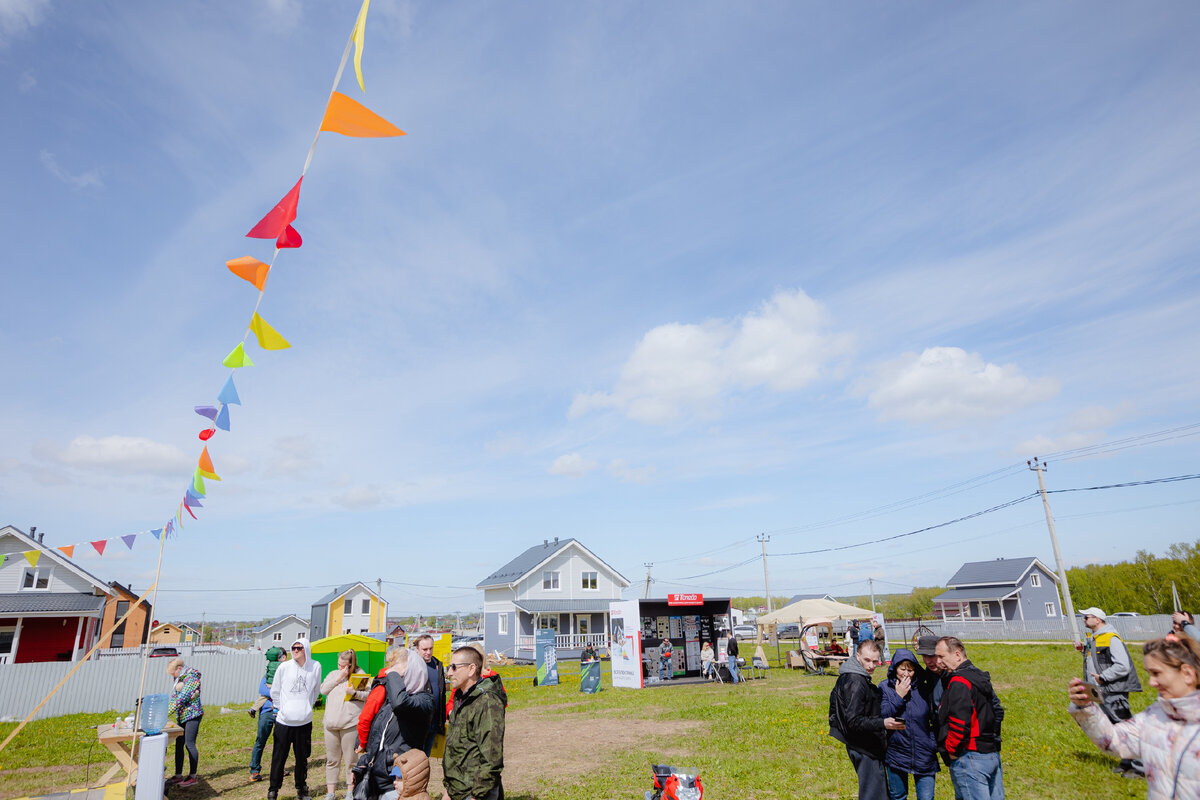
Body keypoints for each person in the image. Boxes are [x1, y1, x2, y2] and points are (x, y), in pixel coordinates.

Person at [1068, 634, 1200, 799]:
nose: (1151, 682)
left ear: (1187, 673)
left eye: (1157, 673)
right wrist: (1085, 705)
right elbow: (1113, 741)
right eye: (1149, 673)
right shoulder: (1154, 716)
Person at [828, 639, 905, 800]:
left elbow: (835, 707)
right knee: (874, 794)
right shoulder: (855, 681)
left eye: (875, 661)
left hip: (861, 745)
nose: (871, 665)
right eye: (867, 660)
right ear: (857, 655)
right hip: (863, 747)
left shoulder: (852, 676)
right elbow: (854, 720)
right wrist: (883, 723)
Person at [351, 648, 432, 800]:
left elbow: (401, 704)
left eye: (401, 675)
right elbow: (377, 736)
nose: (395, 681)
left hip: (398, 781)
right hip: (376, 778)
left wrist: (393, 673)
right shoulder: (390, 701)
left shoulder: (424, 701)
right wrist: (362, 764)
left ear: (414, 673)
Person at [935, 637, 1004, 800]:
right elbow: (997, 711)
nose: (938, 661)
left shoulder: (959, 682)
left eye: (942, 656)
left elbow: (959, 724)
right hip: (991, 753)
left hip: (970, 757)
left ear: (957, 655)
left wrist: (951, 751)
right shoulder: (979, 676)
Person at [1078, 607, 1144, 776]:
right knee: (1116, 728)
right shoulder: (1096, 638)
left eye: (1087, 617)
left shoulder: (1111, 638)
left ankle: (1140, 766)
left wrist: (1104, 677)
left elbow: (1122, 665)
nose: (1084, 620)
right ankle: (1126, 762)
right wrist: (1082, 649)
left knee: (1125, 727)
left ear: (1098, 619)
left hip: (1114, 689)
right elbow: (1097, 659)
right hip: (1102, 690)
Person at [443, 646, 507, 800]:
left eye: (454, 667)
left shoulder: (487, 702)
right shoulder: (461, 697)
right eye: (448, 667)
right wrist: (449, 789)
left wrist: (476, 796)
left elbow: (492, 757)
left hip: (475, 792)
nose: (449, 673)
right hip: (457, 789)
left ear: (471, 669)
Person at [880, 648, 938, 800]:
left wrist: (932, 742)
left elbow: (934, 717)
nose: (906, 674)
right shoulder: (885, 688)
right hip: (897, 751)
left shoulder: (923, 688)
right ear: (894, 669)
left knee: (926, 797)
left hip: (924, 752)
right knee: (898, 796)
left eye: (910, 670)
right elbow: (883, 715)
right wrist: (898, 696)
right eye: (902, 669)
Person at [269, 638, 323, 800]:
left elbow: (315, 691)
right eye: (293, 647)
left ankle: (301, 789)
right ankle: (273, 790)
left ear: (306, 649)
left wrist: (306, 707)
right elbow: (275, 691)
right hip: (284, 722)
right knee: (279, 757)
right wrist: (283, 709)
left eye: (299, 648)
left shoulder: (315, 666)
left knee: (302, 758)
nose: (295, 650)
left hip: (304, 722)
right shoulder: (284, 667)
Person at [321, 649, 370, 800]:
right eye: (339, 664)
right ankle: (331, 792)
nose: (340, 668)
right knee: (332, 760)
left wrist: (355, 693)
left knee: (351, 760)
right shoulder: (333, 674)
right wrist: (338, 678)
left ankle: (350, 791)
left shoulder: (360, 676)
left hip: (350, 724)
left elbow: (369, 696)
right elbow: (323, 690)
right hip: (331, 724)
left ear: (351, 665)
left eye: (343, 666)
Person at [166, 657, 203, 788]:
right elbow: (174, 697)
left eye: (173, 673)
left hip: (192, 715)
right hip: (182, 716)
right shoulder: (180, 679)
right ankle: (178, 775)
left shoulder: (192, 678)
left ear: (179, 669)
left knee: (189, 744)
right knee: (179, 744)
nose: (172, 676)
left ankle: (193, 776)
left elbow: (182, 698)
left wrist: (166, 713)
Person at [359, 646, 406, 750]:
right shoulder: (382, 686)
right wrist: (363, 743)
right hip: (380, 745)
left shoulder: (404, 681)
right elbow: (365, 718)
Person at [414, 635, 447, 757]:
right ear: (417, 649)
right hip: (418, 723)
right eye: (425, 649)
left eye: (431, 648)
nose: (428, 652)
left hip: (434, 722)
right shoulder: (412, 666)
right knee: (414, 759)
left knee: (425, 758)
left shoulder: (438, 664)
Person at [249, 669, 278, 782]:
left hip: (281, 711)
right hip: (267, 712)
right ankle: (255, 770)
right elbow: (263, 690)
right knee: (260, 741)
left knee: (281, 743)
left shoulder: (286, 673)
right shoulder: (267, 676)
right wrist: (277, 691)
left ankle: (278, 769)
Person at [251, 646, 287, 718]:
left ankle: (253, 709)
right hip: (268, 710)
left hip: (284, 710)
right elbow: (262, 689)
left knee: (263, 697)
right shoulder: (284, 667)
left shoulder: (270, 667)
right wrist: (277, 693)